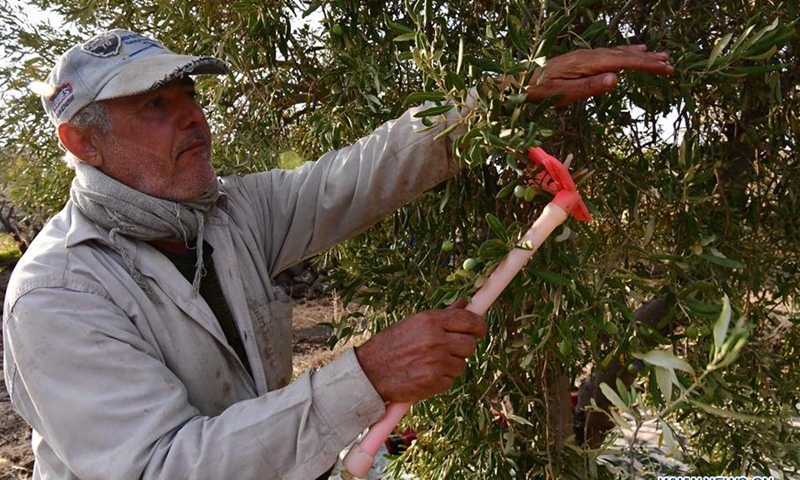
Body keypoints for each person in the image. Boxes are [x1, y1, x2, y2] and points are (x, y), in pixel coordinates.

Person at [3, 29, 673, 480]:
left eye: (190, 96)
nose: (194, 119)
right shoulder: (58, 296)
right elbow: (161, 468)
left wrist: (504, 94)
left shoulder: (227, 215)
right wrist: (367, 377)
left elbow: (356, 175)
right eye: (156, 104)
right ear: (83, 142)